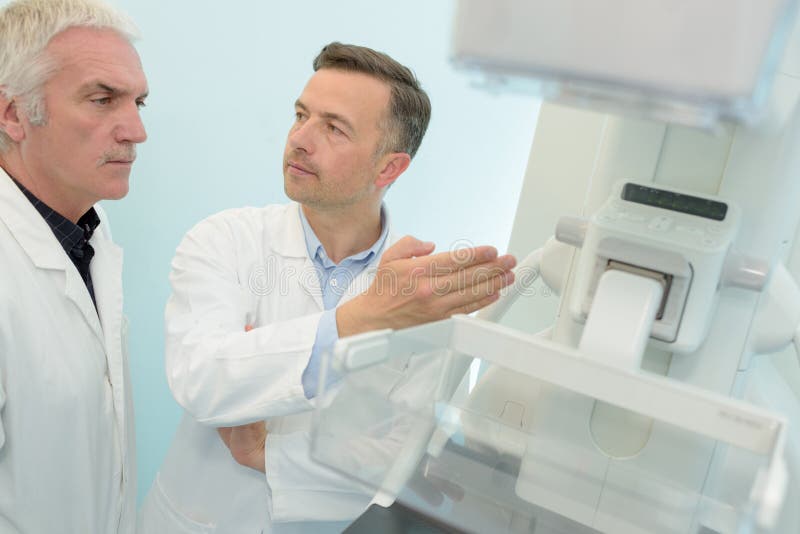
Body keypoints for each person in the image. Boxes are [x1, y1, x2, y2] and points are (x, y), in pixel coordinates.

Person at [139, 42, 515, 533]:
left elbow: (400, 460)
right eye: (301, 115)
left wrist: (268, 454)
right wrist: (364, 318)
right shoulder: (224, 240)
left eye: (334, 128)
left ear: (389, 168)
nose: (300, 138)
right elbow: (202, 380)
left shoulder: (422, 287)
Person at [0, 0, 148, 532]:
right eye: (102, 99)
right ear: (13, 114)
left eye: (138, 103)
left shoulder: (89, 231)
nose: (135, 131)